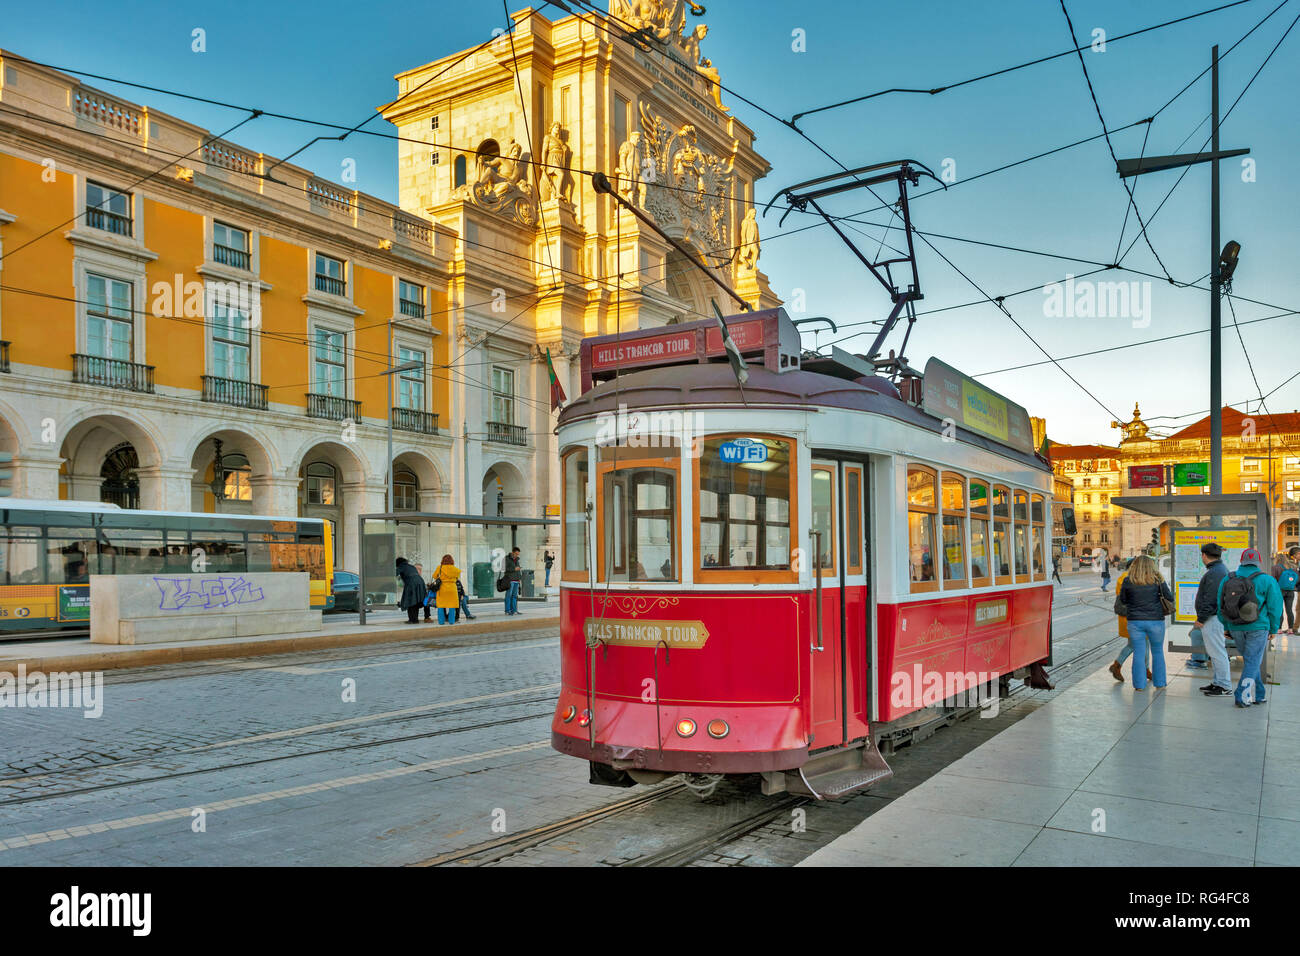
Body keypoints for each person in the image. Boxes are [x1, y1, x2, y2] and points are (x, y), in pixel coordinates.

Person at [1217, 547, 1283, 708]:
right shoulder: (1267, 580)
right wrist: (1273, 629)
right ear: (1258, 562)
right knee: (1253, 660)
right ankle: (1242, 694)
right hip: (1258, 626)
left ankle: (1259, 694)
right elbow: (1276, 607)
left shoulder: (1228, 578)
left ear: (1241, 561)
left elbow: (1220, 605)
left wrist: (1226, 626)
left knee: (1251, 660)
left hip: (1235, 626)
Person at [1117, 555, 1173, 691]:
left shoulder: (1128, 580)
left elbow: (1123, 600)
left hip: (1135, 622)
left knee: (1139, 653)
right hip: (1156, 622)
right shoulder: (1158, 580)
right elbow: (1169, 597)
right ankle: (1160, 684)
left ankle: (1139, 686)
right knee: (1158, 652)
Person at [1192, 542, 1232, 697]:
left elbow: (1211, 599)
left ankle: (1224, 686)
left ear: (1204, 555)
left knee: (1217, 652)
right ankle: (1217, 682)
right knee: (1215, 652)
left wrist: (1201, 619)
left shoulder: (1215, 573)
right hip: (1214, 617)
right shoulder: (1218, 570)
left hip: (1213, 618)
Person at [1270, 545, 1299, 635]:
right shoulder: (1292, 567)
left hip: (1279, 591)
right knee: (1289, 610)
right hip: (1290, 591)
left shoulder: (1275, 568)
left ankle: (1279, 629)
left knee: (1280, 609)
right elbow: (1298, 578)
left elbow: (1272, 579)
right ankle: (1290, 629)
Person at [395, 557, 427, 625]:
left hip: (411, 583)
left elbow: (394, 574)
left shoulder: (401, 566)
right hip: (420, 582)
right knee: (415, 602)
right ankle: (415, 619)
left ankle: (411, 619)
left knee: (410, 601)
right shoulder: (411, 566)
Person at [431, 554, 461, 625]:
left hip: (442, 589)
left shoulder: (440, 568)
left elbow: (434, 576)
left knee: (441, 606)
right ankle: (451, 621)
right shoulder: (455, 569)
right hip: (452, 589)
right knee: (452, 606)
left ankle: (441, 622)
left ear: (443, 560)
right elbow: (457, 578)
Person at [503, 546, 522, 615]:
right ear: (512, 552)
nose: (517, 555)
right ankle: (507, 610)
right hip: (510, 580)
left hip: (516, 580)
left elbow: (518, 569)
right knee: (508, 595)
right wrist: (514, 569)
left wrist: (519, 578)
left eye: (518, 554)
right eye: (516, 554)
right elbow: (504, 569)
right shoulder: (506, 558)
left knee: (514, 596)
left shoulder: (517, 559)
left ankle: (514, 610)